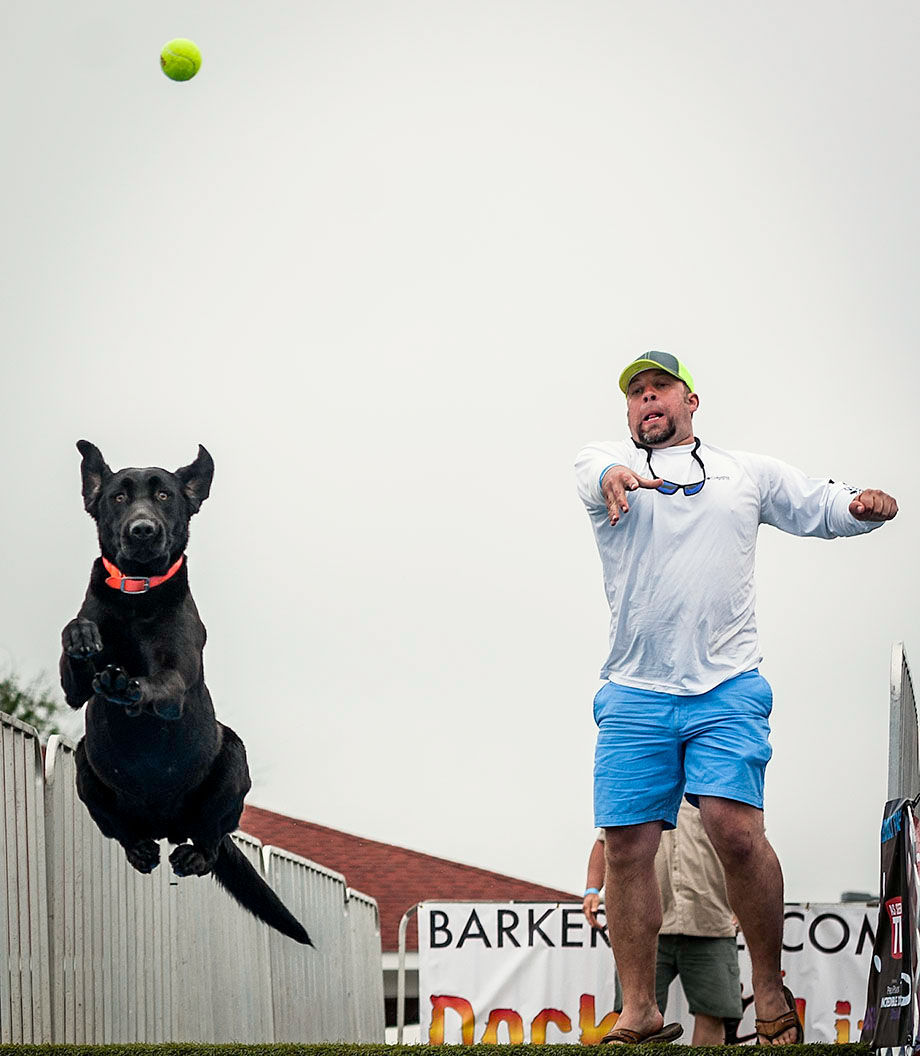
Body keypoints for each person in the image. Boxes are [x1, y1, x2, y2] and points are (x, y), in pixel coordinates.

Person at [574, 351, 898, 1046]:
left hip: (726, 684)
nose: (647, 400)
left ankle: (772, 988)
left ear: (691, 401)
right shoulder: (603, 462)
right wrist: (614, 474)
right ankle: (639, 1011)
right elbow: (591, 470)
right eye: (636, 394)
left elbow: (817, 504)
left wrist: (860, 508)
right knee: (627, 845)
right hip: (634, 689)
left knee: (734, 829)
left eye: (660, 388)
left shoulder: (743, 472)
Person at [583, 800, 742, 1045]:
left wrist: (744, 905)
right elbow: (606, 842)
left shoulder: (715, 798)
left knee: (713, 1015)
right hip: (644, 929)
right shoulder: (644, 792)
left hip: (711, 921)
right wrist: (592, 889)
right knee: (634, 1017)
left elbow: (742, 847)